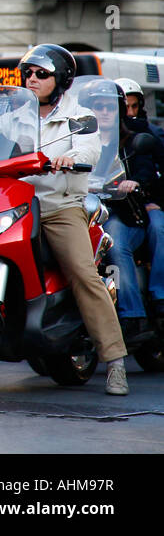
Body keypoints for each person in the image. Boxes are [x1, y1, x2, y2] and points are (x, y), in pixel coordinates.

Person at [15, 44, 129, 395]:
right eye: (28, 73)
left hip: (57, 206)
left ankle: (115, 362)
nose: (32, 79)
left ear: (61, 79)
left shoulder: (80, 116)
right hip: (15, 207)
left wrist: (72, 157)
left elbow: (89, 149)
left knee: (83, 274)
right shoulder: (14, 113)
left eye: (41, 74)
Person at [104, 79, 164, 340]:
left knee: (158, 228)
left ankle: (148, 303)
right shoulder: (86, 135)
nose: (128, 111)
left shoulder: (143, 136)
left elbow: (149, 169)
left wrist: (143, 188)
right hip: (100, 206)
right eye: (99, 106)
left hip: (138, 204)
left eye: (133, 106)